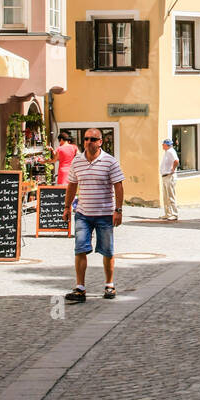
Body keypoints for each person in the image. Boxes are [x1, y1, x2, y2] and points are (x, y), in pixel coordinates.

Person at [63, 129, 124, 303]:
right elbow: (72, 185)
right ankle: (80, 288)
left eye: (93, 139)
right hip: (83, 213)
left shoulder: (110, 161)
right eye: (86, 139)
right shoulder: (77, 162)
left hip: (104, 213)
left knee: (107, 251)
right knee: (80, 249)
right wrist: (67, 207)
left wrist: (118, 210)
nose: (89, 142)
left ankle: (109, 285)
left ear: (100, 142)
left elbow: (118, 186)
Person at [160, 138, 180, 221]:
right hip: (165, 176)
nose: (162, 145)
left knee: (171, 196)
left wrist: (173, 169)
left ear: (166, 145)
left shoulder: (171, 151)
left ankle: (175, 214)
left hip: (169, 176)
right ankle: (167, 213)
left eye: (163, 144)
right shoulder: (167, 152)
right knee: (165, 196)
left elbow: (176, 161)